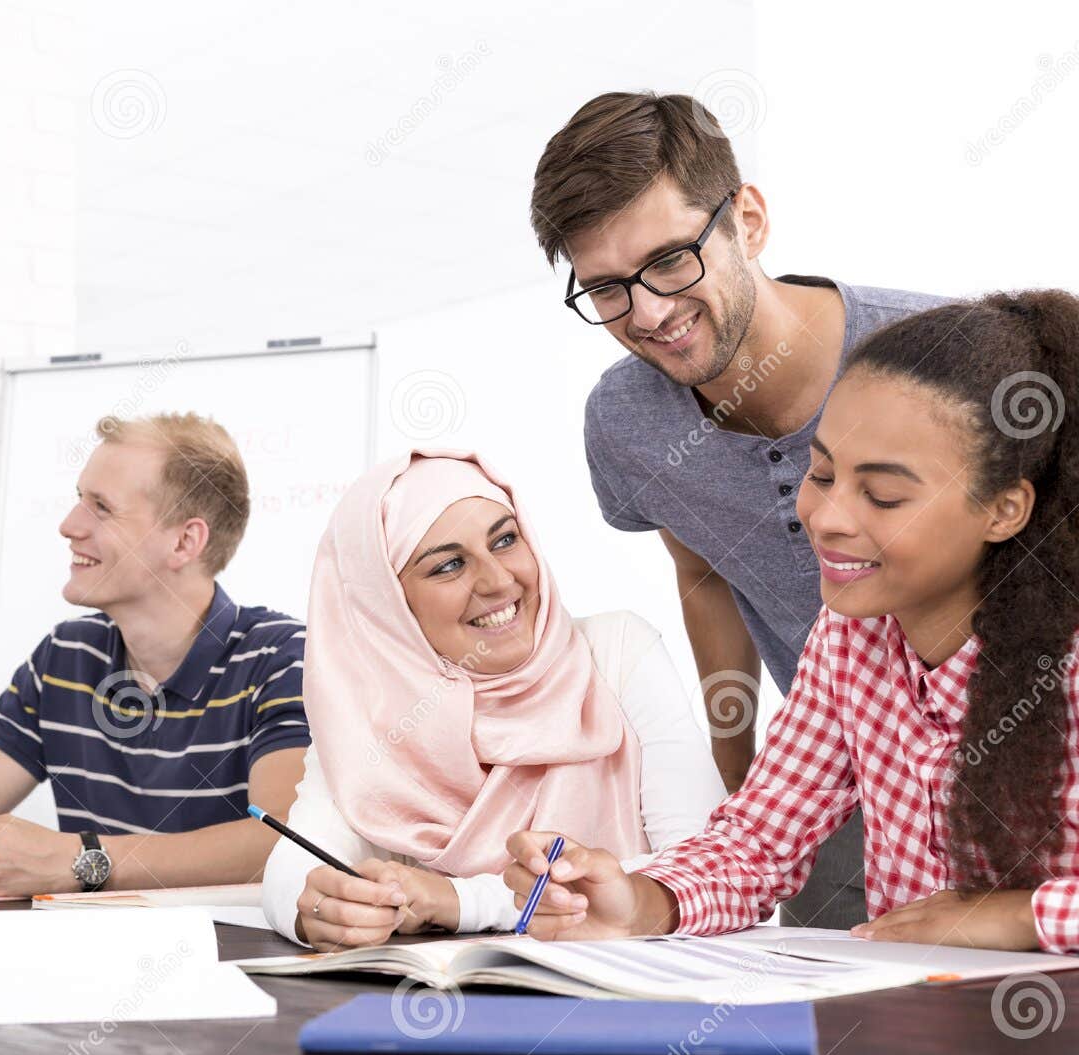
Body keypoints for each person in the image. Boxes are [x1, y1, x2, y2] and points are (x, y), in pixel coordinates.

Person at [504, 291, 1079, 954]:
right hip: (920, 1029)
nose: (828, 517)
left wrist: (1021, 916)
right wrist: (638, 901)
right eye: (823, 472)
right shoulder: (850, 640)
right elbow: (758, 842)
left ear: (1004, 509)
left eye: (884, 494)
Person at [531, 90, 946, 927]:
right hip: (828, 779)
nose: (647, 312)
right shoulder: (627, 424)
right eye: (606, 288)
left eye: (671, 259)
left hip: (1021, 783)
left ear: (747, 221)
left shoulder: (937, 362)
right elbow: (706, 574)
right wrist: (740, 777)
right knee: (843, 1035)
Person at [261, 450, 724, 948]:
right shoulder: (366, 717)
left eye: (505, 540)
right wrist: (316, 910)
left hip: (643, 1005)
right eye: (449, 566)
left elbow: (702, 864)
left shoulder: (618, 653)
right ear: (385, 606)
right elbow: (294, 867)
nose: (499, 581)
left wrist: (463, 901)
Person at [0, 413, 310, 897]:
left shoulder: (283, 658)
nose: (69, 526)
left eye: (101, 507)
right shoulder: (64, 657)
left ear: (184, 541)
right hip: (86, 956)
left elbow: (285, 841)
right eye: (79, 500)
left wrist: (83, 860)